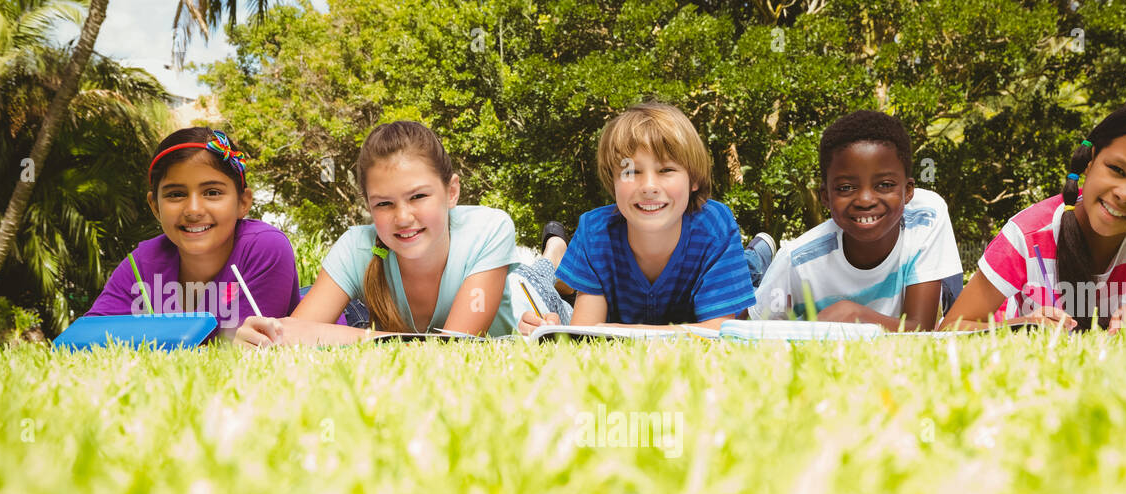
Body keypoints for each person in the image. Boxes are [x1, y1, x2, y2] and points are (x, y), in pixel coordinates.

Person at [237, 120, 522, 347]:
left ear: (452, 191)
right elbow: (292, 334)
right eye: (384, 203)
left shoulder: (489, 229)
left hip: (526, 294)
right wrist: (263, 336)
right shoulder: (356, 247)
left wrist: (370, 340)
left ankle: (552, 248)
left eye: (418, 196)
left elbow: (454, 348)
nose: (403, 217)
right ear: (369, 206)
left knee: (540, 281)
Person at [941, 102, 1126, 332]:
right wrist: (1024, 324)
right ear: (1090, 161)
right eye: (1117, 169)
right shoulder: (1027, 235)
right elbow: (950, 328)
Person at [518, 101, 756, 334]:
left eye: (666, 170)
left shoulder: (715, 226)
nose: (649, 186)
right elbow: (587, 332)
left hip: (735, 280)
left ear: (693, 180)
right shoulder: (595, 233)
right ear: (613, 181)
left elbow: (718, 332)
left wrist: (616, 329)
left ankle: (756, 257)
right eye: (631, 171)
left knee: (755, 281)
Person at [749, 110, 962, 332]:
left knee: (951, 311)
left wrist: (855, 315)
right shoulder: (796, 261)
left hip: (936, 284)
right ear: (825, 196)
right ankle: (754, 266)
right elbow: (751, 332)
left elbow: (919, 330)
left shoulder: (925, 215)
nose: (865, 200)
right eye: (846, 188)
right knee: (753, 296)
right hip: (779, 278)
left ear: (908, 191)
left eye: (885, 185)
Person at [86, 127, 300, 329]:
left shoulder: (264, 248)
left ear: (243, 203)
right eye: (176, 194)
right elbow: (85, 340)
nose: (193, 210)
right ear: (155, 207)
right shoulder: (141, 265)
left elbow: (249, 348)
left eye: (213, 192)